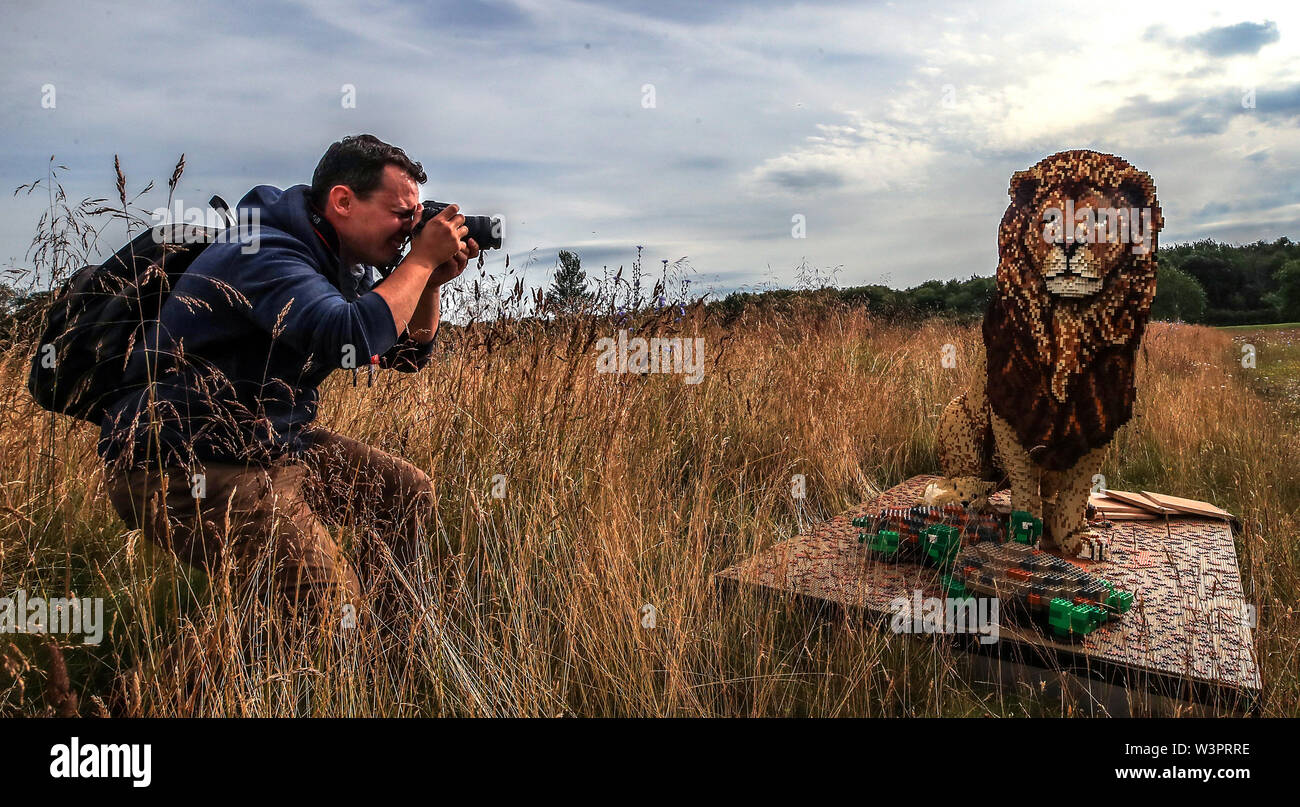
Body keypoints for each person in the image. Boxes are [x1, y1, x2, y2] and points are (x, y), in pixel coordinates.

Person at [98, 134, 477, 632]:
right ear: (343, 201)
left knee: (405, 494)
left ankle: (386, 655)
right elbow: (353, 334)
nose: (411, 228)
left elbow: (405, 353)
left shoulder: (336, 259)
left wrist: (426, 282)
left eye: (415, 216)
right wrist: (420, 259)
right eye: (400, 214)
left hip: (266, 446)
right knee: (331, 615)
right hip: (181, 465)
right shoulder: (266, 251)